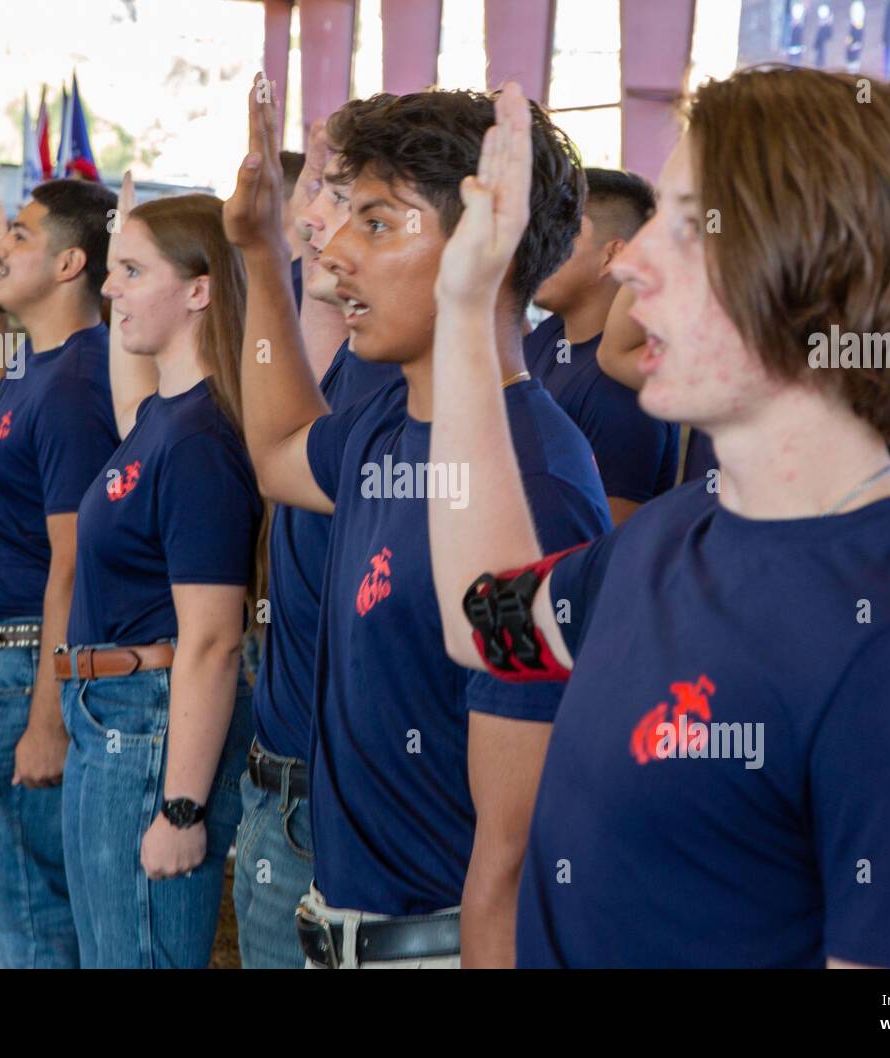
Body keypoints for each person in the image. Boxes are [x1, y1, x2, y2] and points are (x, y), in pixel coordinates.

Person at [428, 72, 890, 968]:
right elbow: (484, 624)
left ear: (827, 276)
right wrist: (467, 309)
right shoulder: (675, 534)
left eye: (689, 224)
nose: (629, 262)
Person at [224, 76, 610, 968]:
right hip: (338, 926)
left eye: (381, 223)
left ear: (490, 244)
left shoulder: (537, 486)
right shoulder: (385, 423)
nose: (332, 260)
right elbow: (280, 449)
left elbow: (519, 849)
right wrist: (253, 253)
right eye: (341, 219)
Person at [57, 183, 259, 968]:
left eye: (133, 273)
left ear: (200, 289)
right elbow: (130, 385)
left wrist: (181, 807)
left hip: (146, 727)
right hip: (108, 715)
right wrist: (129, 234)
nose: (109, 289)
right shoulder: (161, 417)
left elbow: (212, 640)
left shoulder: (201, 440)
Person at [232, 104, 403, 969]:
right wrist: (274, 249)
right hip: (290, 780)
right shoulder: (352, 365)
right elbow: (281, 448)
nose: (320, 222)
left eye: (357, 208)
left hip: (337, 809)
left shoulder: (404, 395)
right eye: (319, 194)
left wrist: (268, 254)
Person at [0, 179, 119, 968]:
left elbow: (74, 566)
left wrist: (48, 719)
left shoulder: (78, 385)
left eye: (21, 236)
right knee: (5, 907)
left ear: (72, 262)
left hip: (19, 673)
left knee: (23, 913)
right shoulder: (34, 366)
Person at [526, 168, 677, 523]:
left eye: (563, 234)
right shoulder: (547, 337)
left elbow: (606, 542)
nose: (543, 248)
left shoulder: (620, 389)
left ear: (612, 257)